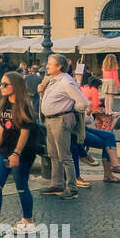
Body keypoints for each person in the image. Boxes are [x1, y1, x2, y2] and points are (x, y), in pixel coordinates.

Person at [0, 71, 39, 234]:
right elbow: (2, 128)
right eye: (1, 84)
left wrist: (17, 153)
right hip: (4, 150)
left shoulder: (24, 107)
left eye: (5, 85)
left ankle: (28, 221)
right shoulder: (4, 104)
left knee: (21, 186)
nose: (2, 87)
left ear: (16, 86)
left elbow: (25, 132)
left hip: (23, 152)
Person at [38, 53, 86, 200]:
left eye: (50, 64)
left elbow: (83, 103)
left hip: (60, 120)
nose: (47, 66)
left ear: (59, 66)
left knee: (64, 155)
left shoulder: (66, 81)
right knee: (53, 154)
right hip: (50, 120)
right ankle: (57, 184)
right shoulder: (53, 80)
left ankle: (72, 188)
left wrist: (69, 113)